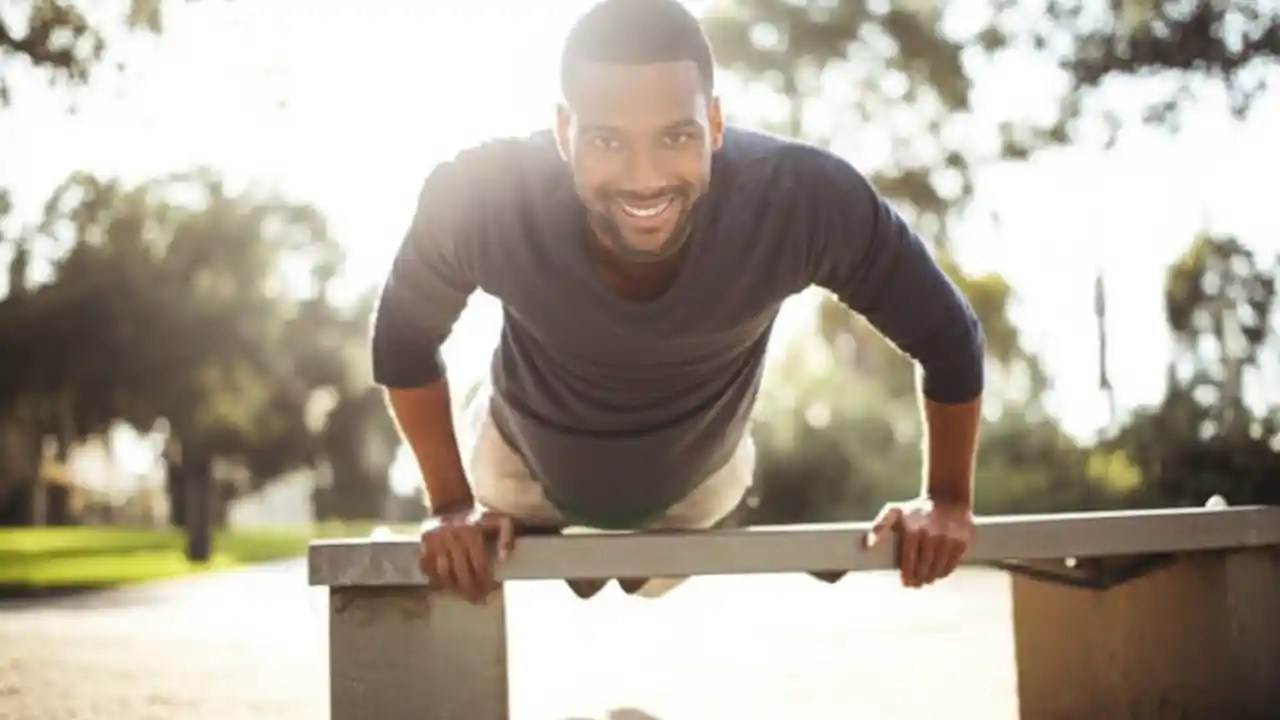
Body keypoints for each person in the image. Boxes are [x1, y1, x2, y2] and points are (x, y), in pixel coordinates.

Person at [371, 0, 985, 604]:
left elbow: (950, 340)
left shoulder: (804, 201)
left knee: (651, 565)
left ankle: (625, 564)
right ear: (565, 133)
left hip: (699, 484)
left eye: (676, 136)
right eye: (607, 141)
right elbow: (402, 343)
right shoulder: (481, 197)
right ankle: (557, 537)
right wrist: (451, 505)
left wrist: (948, 499)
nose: (644, 177)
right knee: (499, 538)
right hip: (515, 466)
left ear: (715, 125)